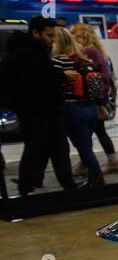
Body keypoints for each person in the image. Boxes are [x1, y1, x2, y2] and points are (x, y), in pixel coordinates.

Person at [0, 17, 76, 194]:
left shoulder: (31, 52)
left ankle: (38, 185)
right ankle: (31, 186)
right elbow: (37, 81)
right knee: (44, 148)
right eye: (49, 35)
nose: (53, 39)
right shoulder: (28, 55)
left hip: (39, 110)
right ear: (35, 33)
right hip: (37, 111)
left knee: (48, 148)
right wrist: (63, 77)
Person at [51, 27, 105, 186]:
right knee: (86, 145)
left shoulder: (59, 61)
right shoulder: (83, 60)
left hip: (72, 109)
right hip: (91, 108)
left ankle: (97, 179)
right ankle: (93, 178)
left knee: (83, 148)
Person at [69, 22, 118, 175]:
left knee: (91, 132)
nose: (71, 35)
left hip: (94, 98)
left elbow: (99, 76)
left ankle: (92, 162)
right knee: (96, 131)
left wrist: (101, 99)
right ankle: (98, 161)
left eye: (73, 33)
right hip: (97, 97)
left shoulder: (89, 51)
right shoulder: (93, 49)